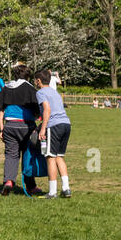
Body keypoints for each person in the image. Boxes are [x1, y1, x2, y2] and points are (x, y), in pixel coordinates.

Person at [0, 63, 41, 196]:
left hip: (9, 126)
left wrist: (1, 129)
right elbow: (37, 109)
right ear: (28, 76)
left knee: (11, 155)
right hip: (26, 125)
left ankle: (8, 181)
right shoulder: (30, 89)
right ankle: (30, 186)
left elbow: (0, 109)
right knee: (27, 155)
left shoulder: (6, 88)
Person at [33, 69, 71, 198]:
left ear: (38, 81)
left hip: (53, 125)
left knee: (50, 158)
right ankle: (66, 188)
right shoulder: (55, 92)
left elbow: (47, 109)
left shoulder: (40, 92)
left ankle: (52, 192)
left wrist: (42, 128)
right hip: (66, 124)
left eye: (35, 80)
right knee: (59, 157)